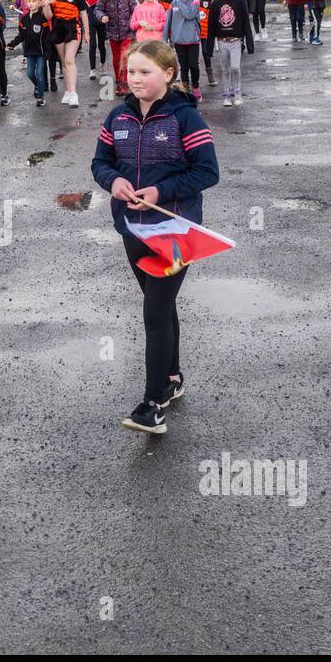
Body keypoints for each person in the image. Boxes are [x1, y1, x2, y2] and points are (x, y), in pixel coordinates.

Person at [90, 40, 220, 435]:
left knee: (154, 311)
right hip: (131, 228)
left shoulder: (186, 119)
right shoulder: (117, 117)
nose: (135, 79)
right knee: (159, 305)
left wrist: (160, 192)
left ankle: (153, 402)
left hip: (175, 231)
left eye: (144, 72)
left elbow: (207, 172)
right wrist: (113, 182)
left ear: (168, 74)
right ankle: (174, 377)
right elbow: (99, 163)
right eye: (131, 71)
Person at [48, 0, 87, 106]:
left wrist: (87, 33)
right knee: (63, 61)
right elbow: (48, 16)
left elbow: (83, 13)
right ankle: (68, 91)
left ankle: (74, 93)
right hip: (58, 29)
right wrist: (46, 4)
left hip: (73, 28)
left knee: (70, 59)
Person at [7, 0, 53, 107]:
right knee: (30, 74)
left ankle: (41, 97)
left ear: (39, 3)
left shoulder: (42, 18)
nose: (31, 4)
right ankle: (37, 86)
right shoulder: (25, 19)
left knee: (39, 73)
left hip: (41, 51)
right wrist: (12, 43)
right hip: (29, 51)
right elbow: (21, 35)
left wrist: (48, 51)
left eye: (34, 1)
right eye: (29, 1)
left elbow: (47, 36)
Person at [209, 0, 248, 105]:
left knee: (235, 67)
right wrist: (210, 46)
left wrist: (249, 41)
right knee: (225, 69)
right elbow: (212, 25)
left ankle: (237, 93)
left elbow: (246, 22)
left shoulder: (239, 2)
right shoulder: (215, 4)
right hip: (222, 41)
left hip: (235, 41)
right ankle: (226, 95)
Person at [162, 0, 203, 100]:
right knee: (183, 66)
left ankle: (195, 86)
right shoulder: (174, 2)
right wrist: (165, 39)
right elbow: (168, 20)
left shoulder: (195, 0)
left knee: (193, 65)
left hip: (192, 39)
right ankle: (185, 89)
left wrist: (179, 2)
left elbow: (189, 15)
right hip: (178, 40)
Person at [98, 0, 137, 96]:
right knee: (116, 58)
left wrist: (132, 24)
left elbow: (134, 10)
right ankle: (119, 79)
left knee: (124, 56)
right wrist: (102, 17)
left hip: (127, 32)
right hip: (113, 31)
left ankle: (125, 83)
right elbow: (98, 9)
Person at [83, 0, 107, 80]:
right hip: (90, 22)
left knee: (101, 45)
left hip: (101, 22)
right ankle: (92, 69)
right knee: (92, 45)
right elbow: (83, 9)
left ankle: (102, 64)